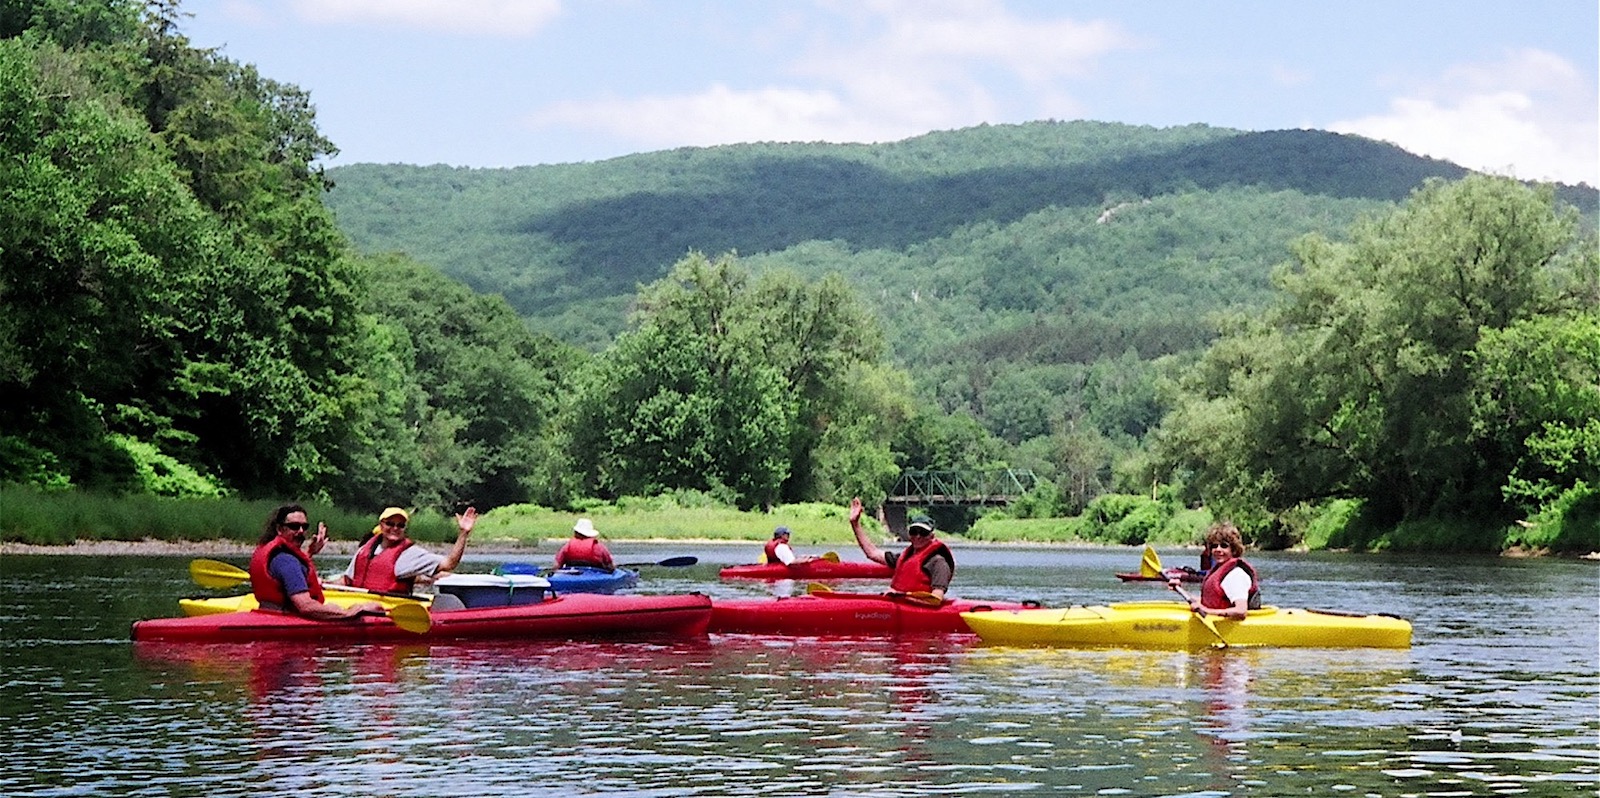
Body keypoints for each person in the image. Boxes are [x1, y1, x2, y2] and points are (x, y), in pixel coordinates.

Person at [249, 504, 384, 620]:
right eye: (294, 526)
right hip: (288, 619)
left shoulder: (278, 555)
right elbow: (306, 606)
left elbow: (289, 573)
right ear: (279, 529)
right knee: (375, 607)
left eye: (304, 526)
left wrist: (310, 553)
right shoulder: (287, 561)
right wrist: (348, 612)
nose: (301, 531)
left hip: (268, 613)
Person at [328, 506, 477, 594]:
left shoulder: (411, 554)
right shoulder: (365, 550)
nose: (395, 528)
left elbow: (449, 563)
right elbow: (346, 580)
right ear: (381, 524)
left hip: (389, 610)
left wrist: (463, 533)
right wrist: (321, 583)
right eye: (390, 523)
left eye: (400, 525)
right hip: (360, 604)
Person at [847, 497, 954, 601]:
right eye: (913, 531)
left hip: (917, 613)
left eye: (923, 532)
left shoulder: (939, 563)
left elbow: (936, 599)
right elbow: (872, 553)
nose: (917, 536)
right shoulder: (906, 557)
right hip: (898, 606)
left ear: (932, 536)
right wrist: (855, 524)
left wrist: (902, 597)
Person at [1170, 521, 1261, 620]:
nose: (1218, 549)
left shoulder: (1235, 575)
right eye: (1214, 546)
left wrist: (1208, 612)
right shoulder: (1219, 570)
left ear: (1234, 550)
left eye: (1224, 545)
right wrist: (1179, 589)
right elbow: (1208, 602)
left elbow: (1241, 611)